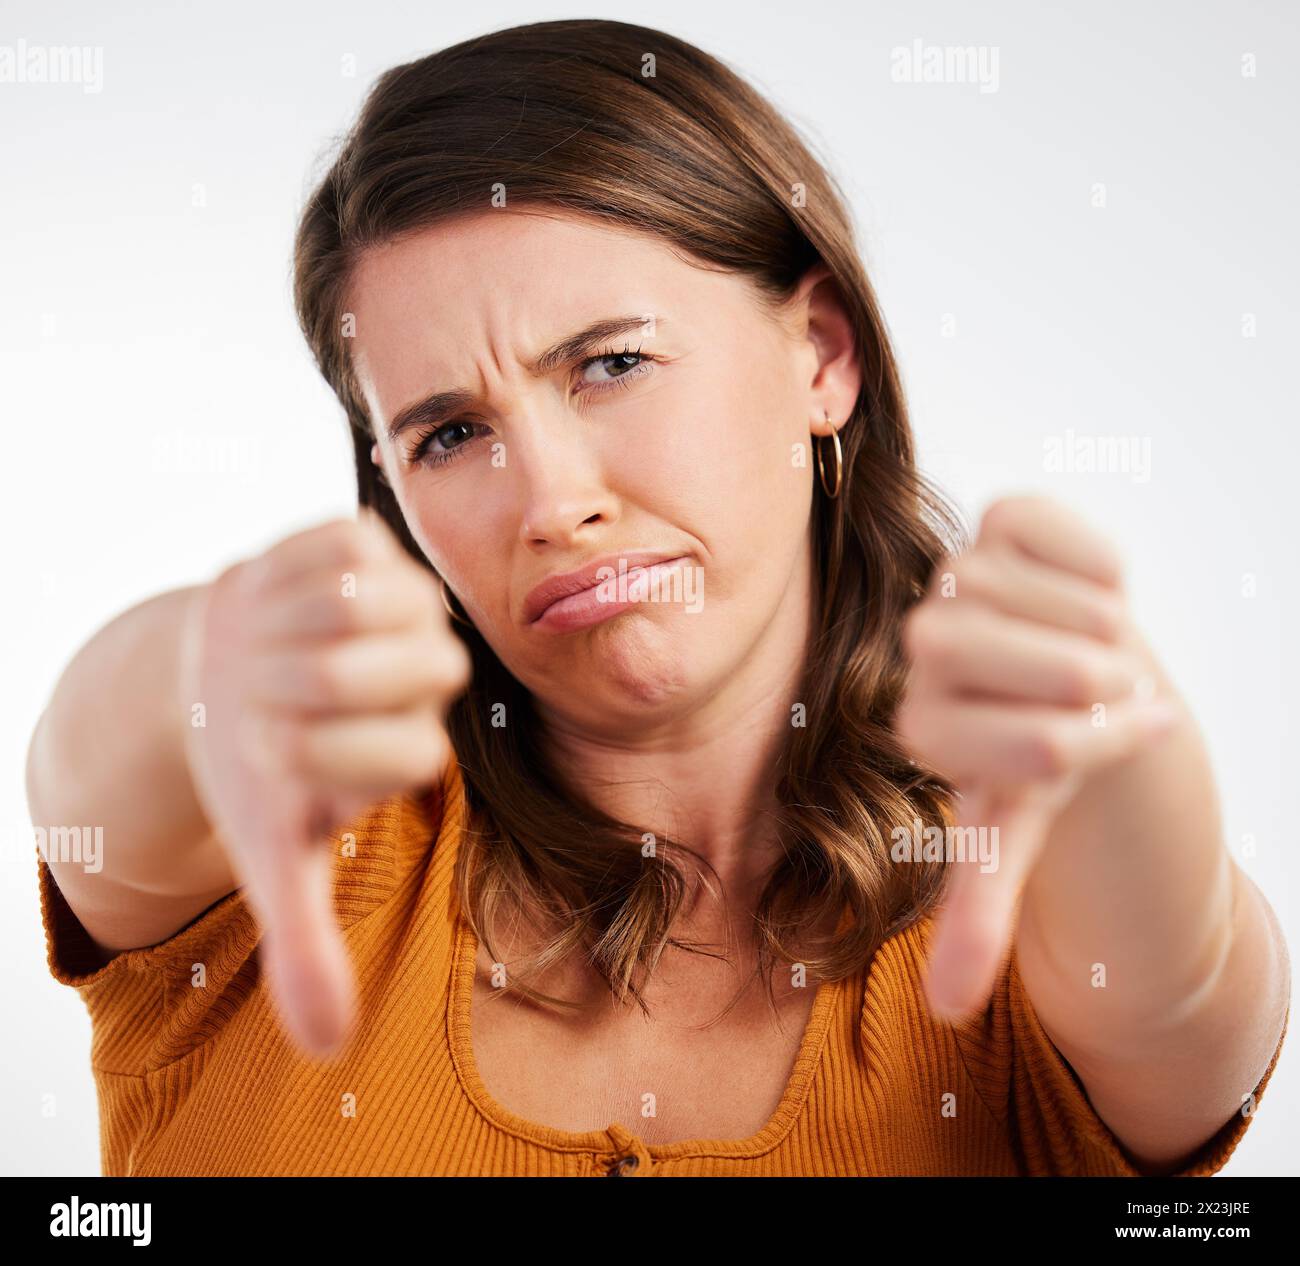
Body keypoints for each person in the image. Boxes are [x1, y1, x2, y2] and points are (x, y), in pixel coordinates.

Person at [28, 18, 1288, 1178]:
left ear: (822, 356)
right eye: (450, 435)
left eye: (612, 364)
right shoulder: (294, 854)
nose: (550, 500)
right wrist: (200, 670)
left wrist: (1115, 741)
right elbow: (98, 766)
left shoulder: (1026, 898)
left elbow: (1180, 993)